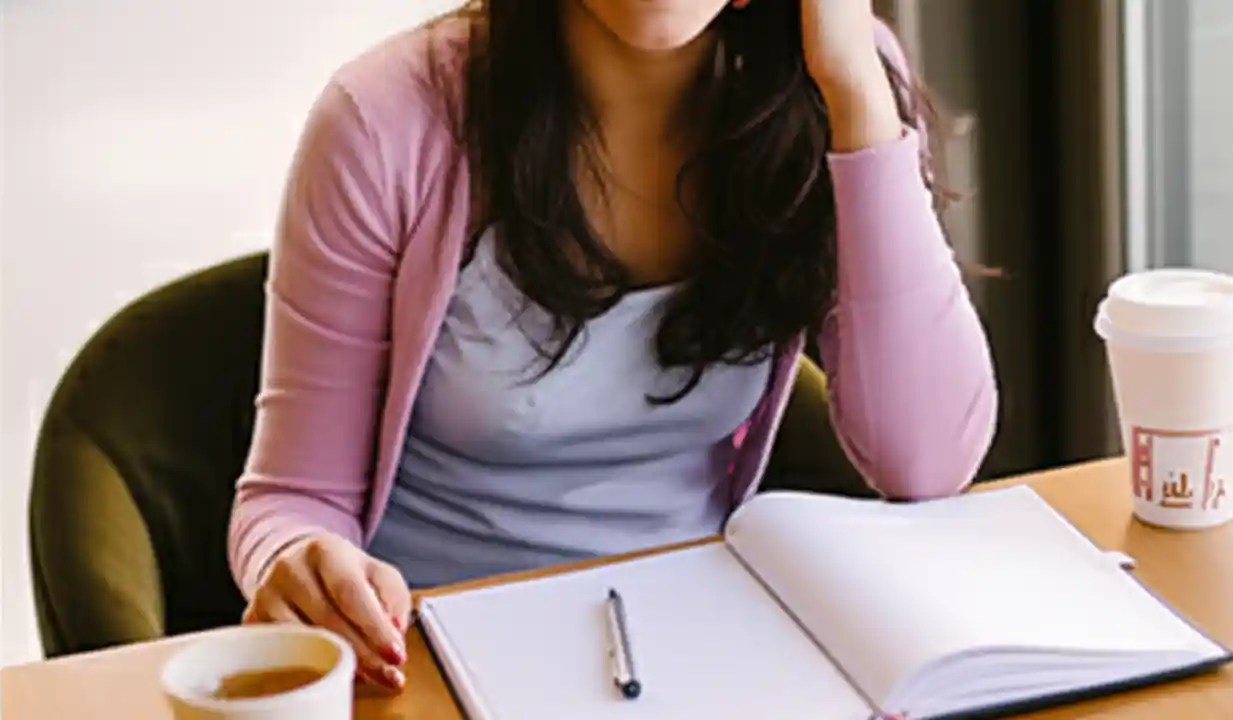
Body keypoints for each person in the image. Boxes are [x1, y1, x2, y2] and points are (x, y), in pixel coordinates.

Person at [228, 0, 998, 691]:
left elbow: (925, 461)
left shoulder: (835, 77)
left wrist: (855, 93)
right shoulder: (385, 119)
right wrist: (298, 562)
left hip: (692, 655)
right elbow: (293, 498)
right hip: (429, 662)